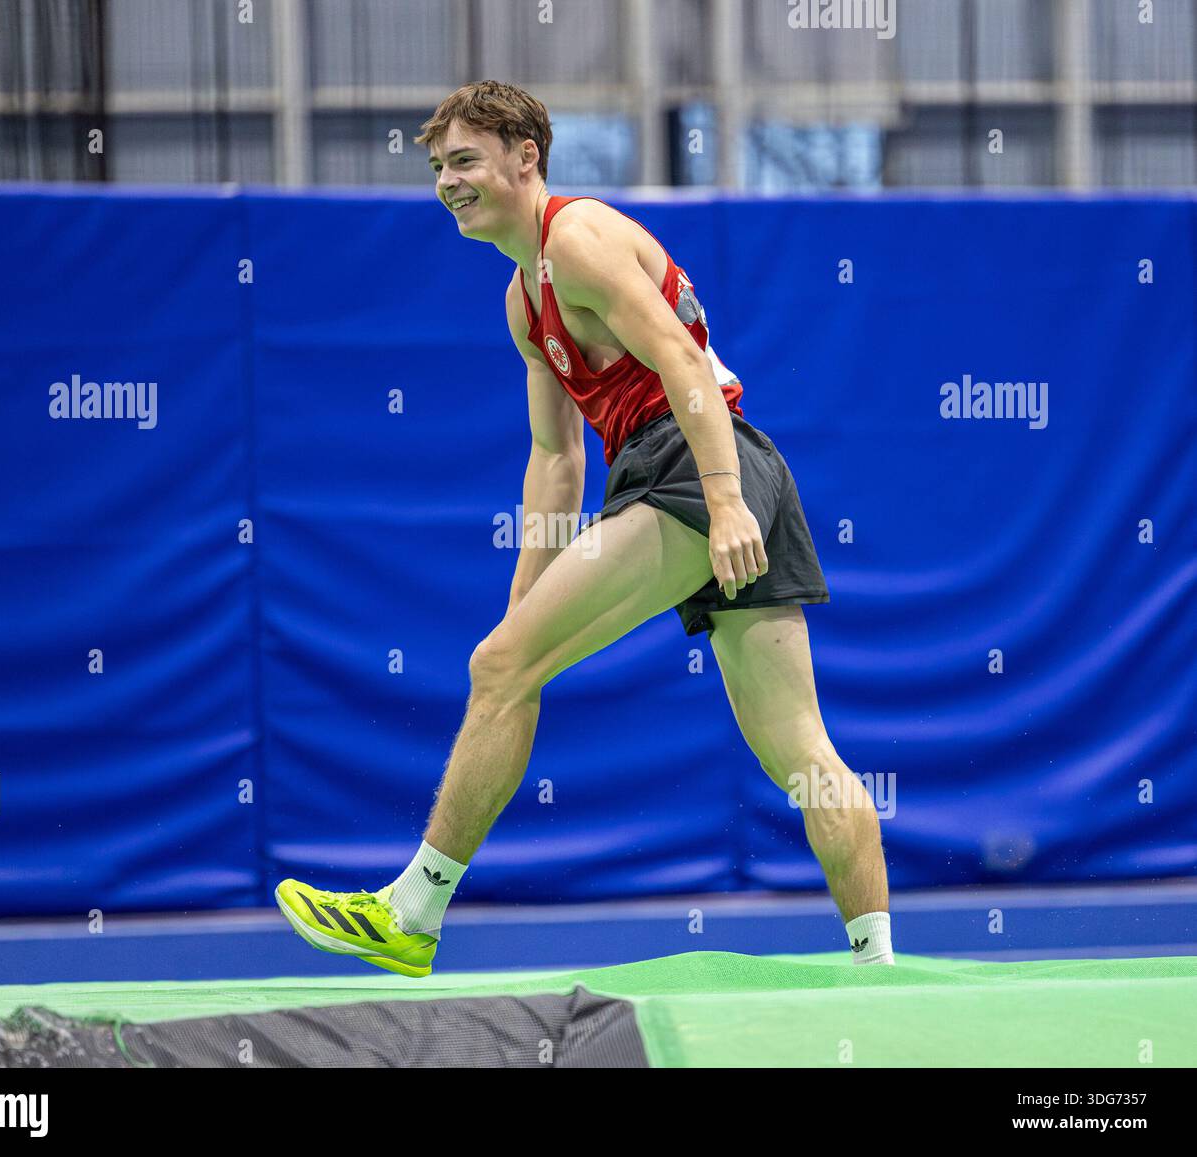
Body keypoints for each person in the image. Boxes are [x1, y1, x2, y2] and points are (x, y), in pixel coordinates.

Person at [275, 80, 893, 977]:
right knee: (801, 752)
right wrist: (524, 601)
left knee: (500, 669)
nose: (449, 182)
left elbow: (684, 363)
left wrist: (723, 501)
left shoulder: (580, 237)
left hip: (699, 461)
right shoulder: (525, 304)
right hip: (707, 470)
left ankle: (411, 911)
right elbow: (555, 459)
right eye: (439, 167)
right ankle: (876, 965)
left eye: (465, 162)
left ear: (526, 156)